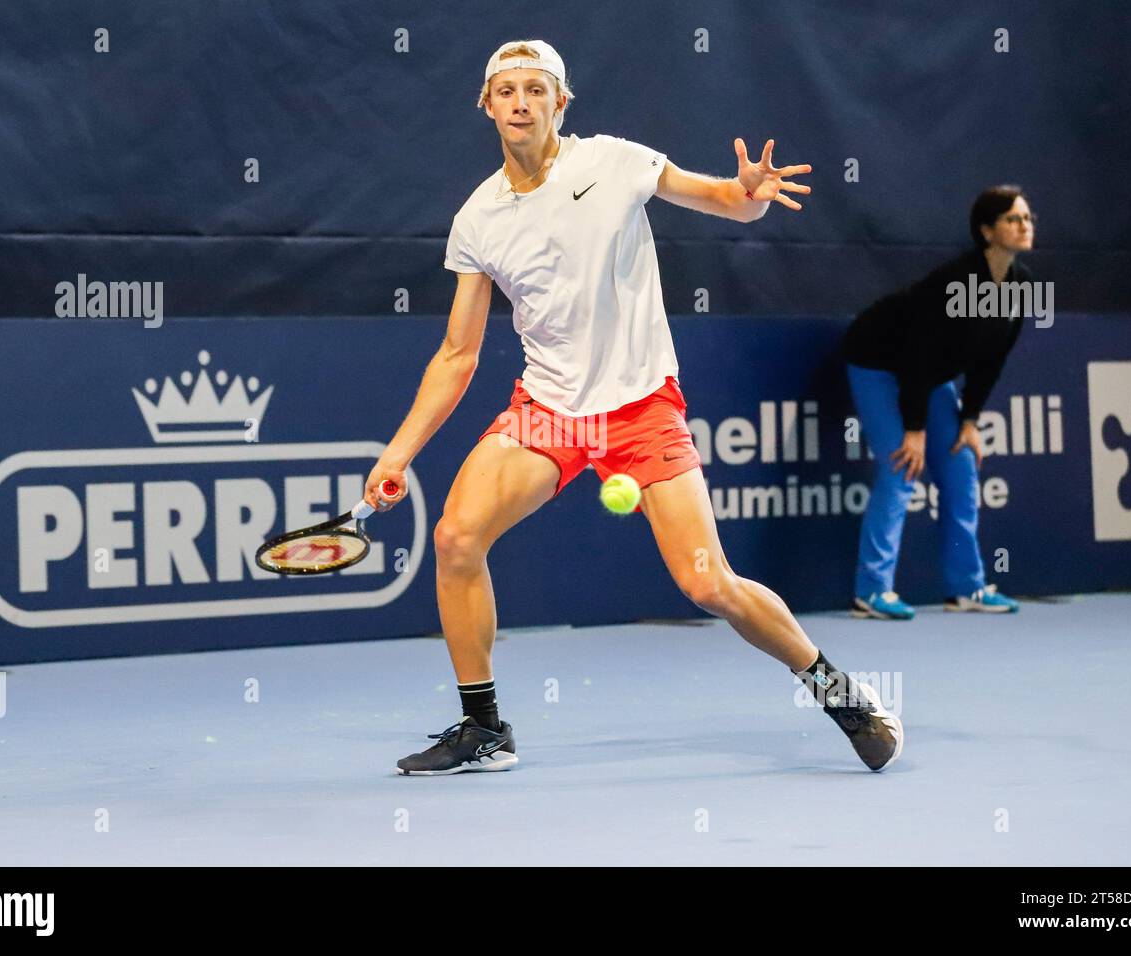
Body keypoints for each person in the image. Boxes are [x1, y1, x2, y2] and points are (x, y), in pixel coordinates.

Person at [364, 39, 902, 774]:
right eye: (507, 90)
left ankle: (841, 693)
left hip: (641, 406)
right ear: (485, 105)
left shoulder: (613, 162)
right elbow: (458, 355)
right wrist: (397, 454)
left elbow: (722, 199)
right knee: (457, 538)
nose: (521, 101)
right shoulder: (478, 218)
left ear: (561, 101)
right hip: (547, 409)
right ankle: (484, 729)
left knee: (707, 582)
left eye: (536, 88)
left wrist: (747, 193)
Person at [842, 185, 1036, 620]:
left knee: (961, 465)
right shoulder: (955, 283)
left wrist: (969, 419)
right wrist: (914, 431)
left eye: (1027, 218)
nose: (1025, 226)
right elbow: (918, 355)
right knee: (901, 467)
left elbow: (993, 358)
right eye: (1013, 219)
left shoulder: (1022, 286)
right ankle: (871, 591)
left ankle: (966, 588)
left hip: (929, 377)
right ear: (987, 231)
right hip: (877, 360)